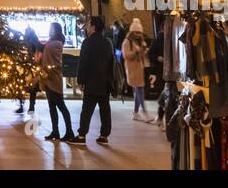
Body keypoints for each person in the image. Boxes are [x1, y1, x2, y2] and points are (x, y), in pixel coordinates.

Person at [75, 17, 114, 145]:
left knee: (87, 109)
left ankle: (81, 136)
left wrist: (80, 80)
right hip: (105, 82)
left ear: (93, 27)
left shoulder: (87, 42)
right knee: (105, 109)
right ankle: (104, 135)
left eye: (88, 25)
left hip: (92, 81)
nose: (86, 27)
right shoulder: (107, 42)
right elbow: (111, 63)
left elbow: (83, 63)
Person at [39, 22, 77, 142]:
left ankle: (69, 131)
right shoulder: (53, 42)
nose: (49, 30)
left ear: (56, 30)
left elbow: (55, 61)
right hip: (49, 78)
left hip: (53, 79)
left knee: (61, 106)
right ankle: (55, 131)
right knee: (52, 107)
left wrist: (46, 67)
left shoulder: (56, 43)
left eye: (51, 28)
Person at [123, 18, 151, 121]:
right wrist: (137, 52)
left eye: (139, 32)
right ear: (132, 32)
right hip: (132, 69)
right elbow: (126, 55)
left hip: (139, 69)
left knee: (138, 91)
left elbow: (142, 54)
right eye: (136, 32)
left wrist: (143, 51)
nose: (138, 34)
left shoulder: (140, 41)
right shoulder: (127, 42)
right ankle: (144, 112)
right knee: (140, 91)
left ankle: (135, 113)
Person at [15, 25, 41, 115]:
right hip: (30, 68)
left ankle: (24, 106)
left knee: (23, 87)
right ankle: (31, 106)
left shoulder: (26, 42)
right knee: (32, 89)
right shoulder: (35, 42)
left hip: (25, 68)